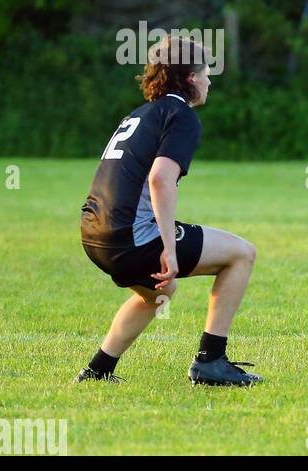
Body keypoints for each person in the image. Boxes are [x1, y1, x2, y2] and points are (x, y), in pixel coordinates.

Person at [78, 36, 262, 386]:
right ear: (191, 77)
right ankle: (211, 362)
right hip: (128, 235)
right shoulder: (181, 114)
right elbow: (161, 179)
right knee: (242, 254)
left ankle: (97, 371)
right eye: (207, 72)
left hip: (93, 234)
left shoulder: (141, 113)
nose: (210, 80)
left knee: (159, 293)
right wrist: (169, 247)